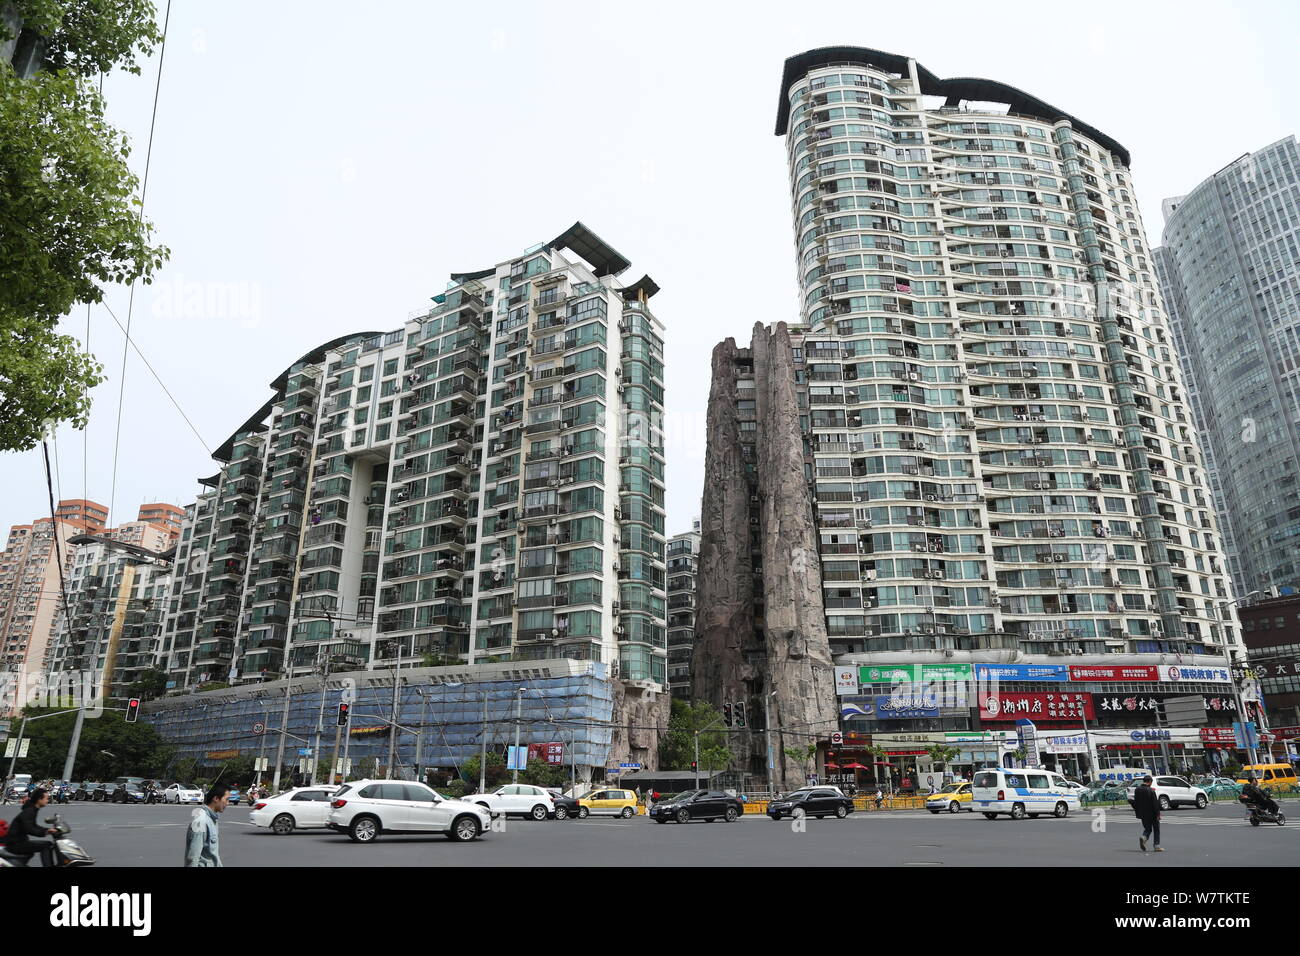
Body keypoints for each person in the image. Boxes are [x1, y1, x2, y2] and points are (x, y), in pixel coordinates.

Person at [5, 787, 60, 866]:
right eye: (46, 798)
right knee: (46, 846)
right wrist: (46, 831)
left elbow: (33, 826)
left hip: (18, 842)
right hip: (15, 844)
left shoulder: (32, 809)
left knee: (47, 844)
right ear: (39, 799)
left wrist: (47, 830)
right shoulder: (30, 811)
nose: (48, 801)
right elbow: (29, 828)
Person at [184, 783, 229, 867]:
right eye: (226, 799)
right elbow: (193, 857)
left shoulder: (213, 819)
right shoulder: (200, 821)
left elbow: (213, 855)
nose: (228, 803)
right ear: (216, 798)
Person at [1131, 775, 1162, 853]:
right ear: (1150, 782)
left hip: (1142, 814)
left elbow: (1136, 802)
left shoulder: (1137, 790)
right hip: (1152, 814)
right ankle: (1156, 846)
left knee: (1147, 829)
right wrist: (1158, 814)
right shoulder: (1151, 791)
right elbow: (1155, 804)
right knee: (1156, 829)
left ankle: (1144, 837)